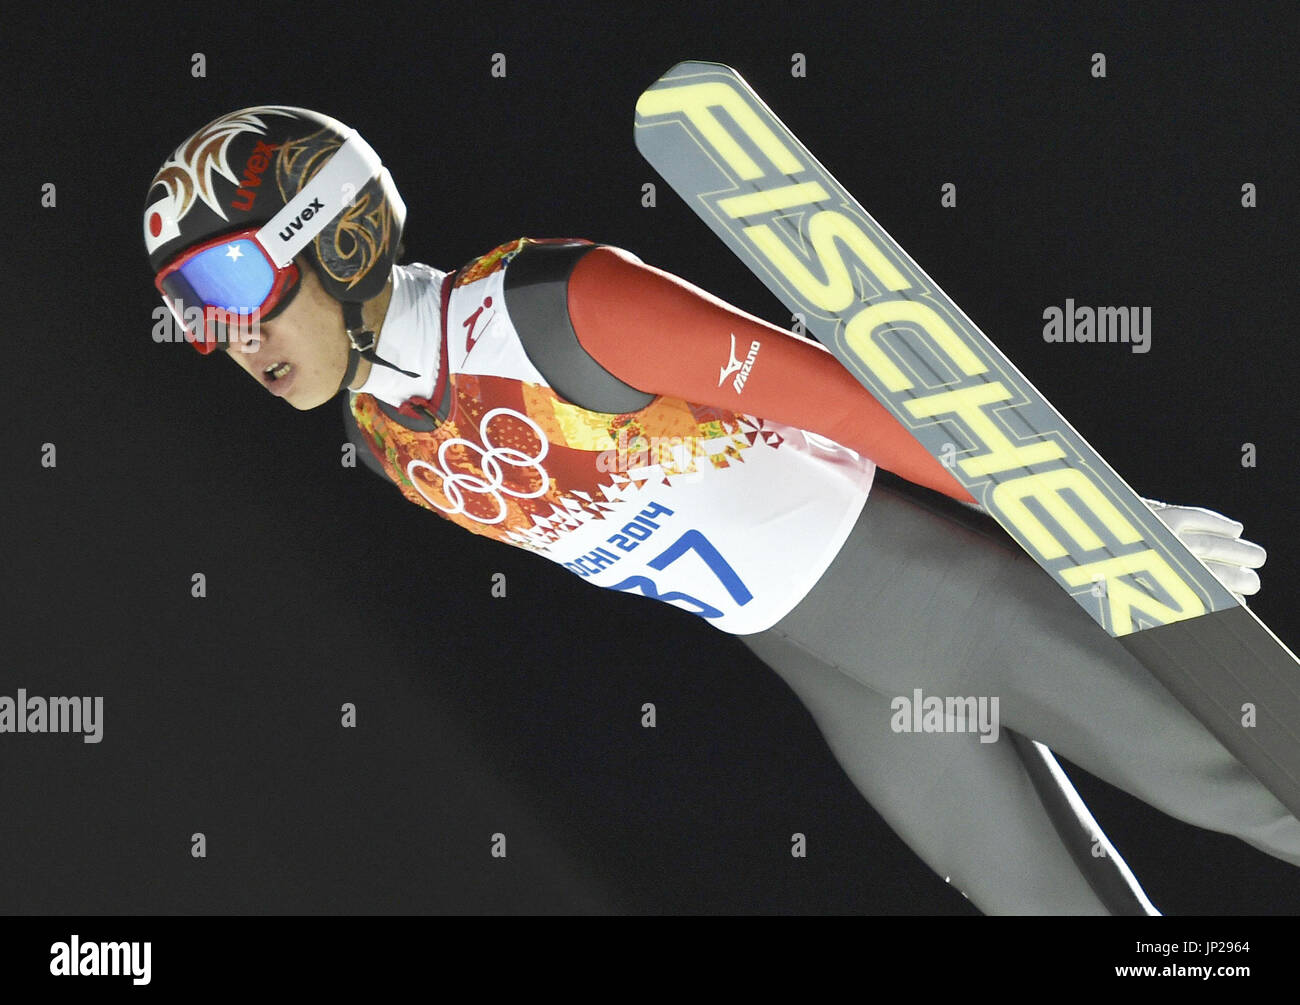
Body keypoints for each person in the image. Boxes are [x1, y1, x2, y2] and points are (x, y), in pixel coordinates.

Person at [144, 105, 1290, 915]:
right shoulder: (386, 440)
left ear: (340, 234)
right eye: (191, 312)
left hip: (948, 600)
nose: (228, 336)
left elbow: (844, 398)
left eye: (228, 283)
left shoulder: (549, 307)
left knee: (1247, 792)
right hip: (836, 679)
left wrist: (1077, 513)